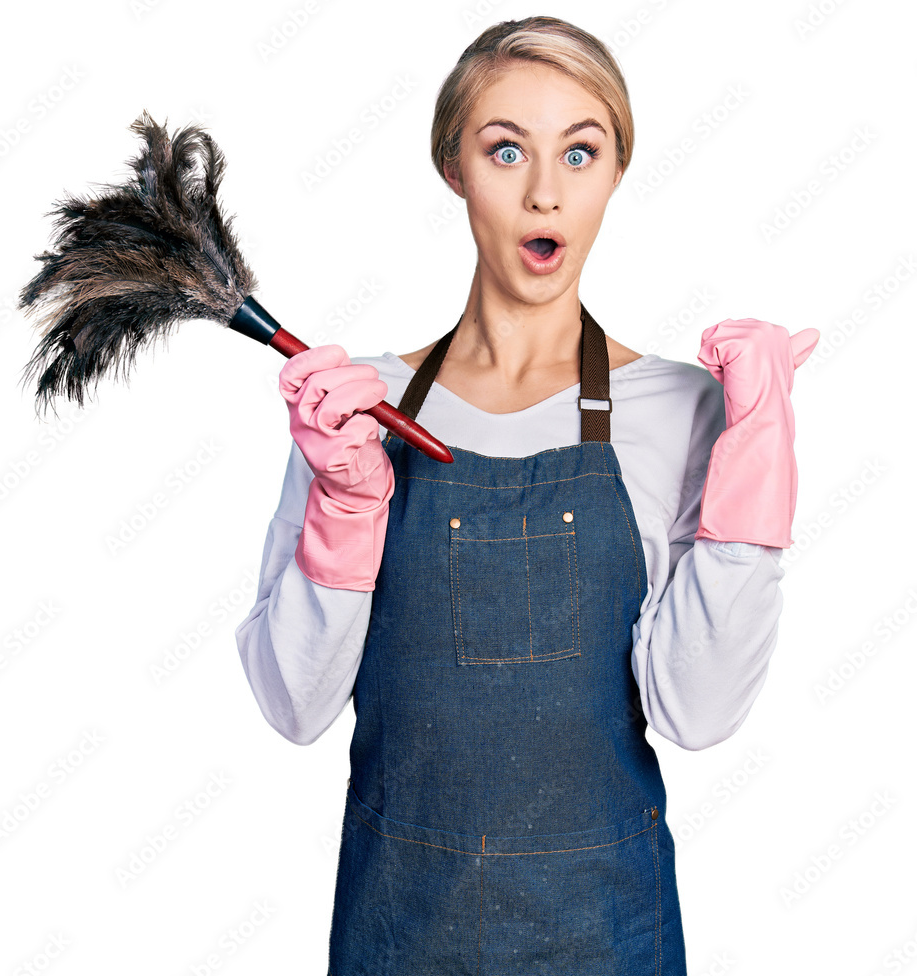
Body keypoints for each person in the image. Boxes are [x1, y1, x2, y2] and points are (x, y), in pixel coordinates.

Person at [235, 15, 818, 974]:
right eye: (505, 150)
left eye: (579, 153)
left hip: (608, 937)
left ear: (615, 173)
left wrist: (755, 469)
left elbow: (699, 714)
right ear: (454, 169)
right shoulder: (359, 411)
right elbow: (293, 705)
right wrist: (344, 509)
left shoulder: (678, 410)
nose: (545, 191)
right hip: (400, 933)